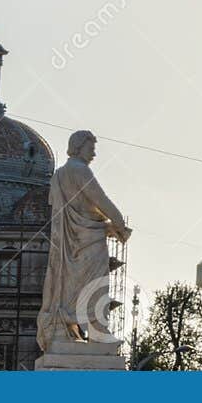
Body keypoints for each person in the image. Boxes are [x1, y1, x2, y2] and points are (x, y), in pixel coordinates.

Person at [37, 131, 129, 351]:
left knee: (69, 283)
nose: (94, 153)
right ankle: (97, 331)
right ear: (78, 147)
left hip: (69, 241)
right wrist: (119, 224)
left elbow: (72, 208)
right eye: (91, 147)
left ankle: (63, 327)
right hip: (89, 239)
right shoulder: (80, 170)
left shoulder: (59, 175)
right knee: (96, 283)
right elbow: (100, 199)